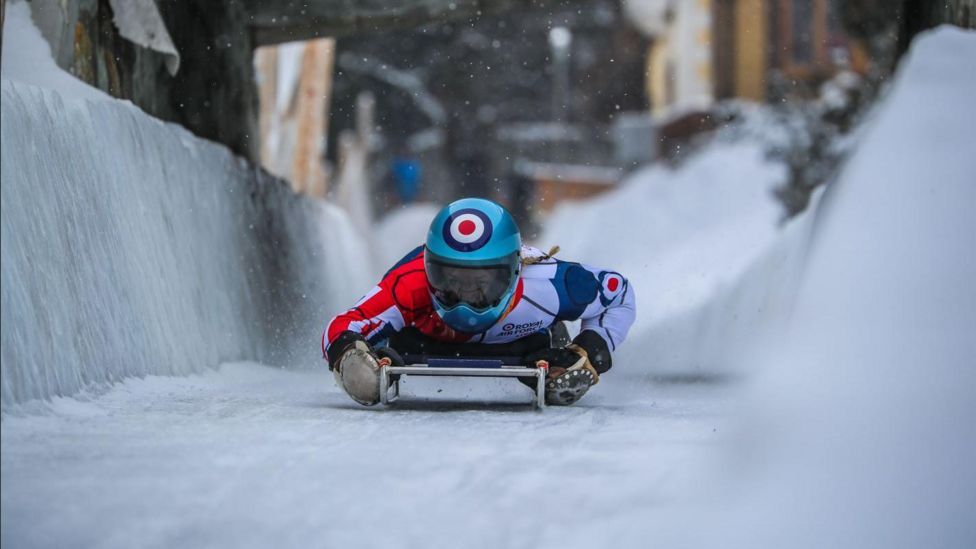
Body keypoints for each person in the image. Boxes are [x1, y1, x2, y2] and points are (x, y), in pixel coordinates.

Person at [322, 198, 636, 406]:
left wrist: (591, 349)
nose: (466, 300)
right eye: (451, 281)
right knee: (388, 336)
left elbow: (620, 295)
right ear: (430, 267)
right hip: (420, 340)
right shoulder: (409, 283)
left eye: (481, 283)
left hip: (524, 341)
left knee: (555, 344)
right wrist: (350, 354)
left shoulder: (549, 283)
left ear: (514, 270)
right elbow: (342, 326)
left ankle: (553, 358)